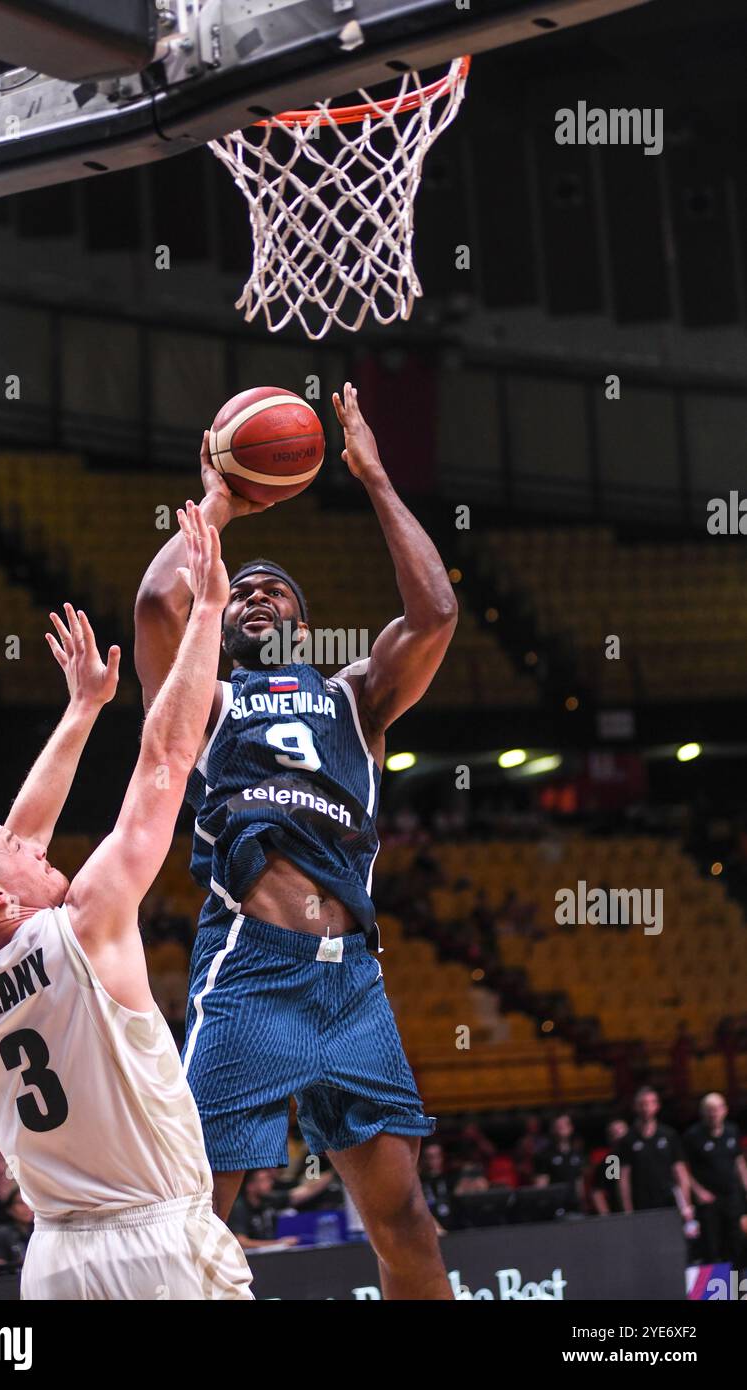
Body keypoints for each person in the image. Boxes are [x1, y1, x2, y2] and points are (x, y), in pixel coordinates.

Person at [135, 384, 458, 1298]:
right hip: (250, 975)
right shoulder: (204, 702)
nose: (260, 595)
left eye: (278, 591)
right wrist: (221, 503)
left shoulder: (355, 696)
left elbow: (434, 615)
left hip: (353, 981)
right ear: (225, 625)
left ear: (308, 628)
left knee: (408, 1226)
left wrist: (377, 479)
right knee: (194, 1222)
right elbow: (160, 599)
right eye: (242, 591)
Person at [0, 513, 252, 1301]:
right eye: (19, 850)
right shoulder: (88, 923)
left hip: (59, 1261)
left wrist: (81, 711)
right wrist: (205, 611)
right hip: (158, 1241)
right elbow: (168, 760)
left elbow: (7, 848)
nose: (38, 842)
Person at [682, 1092, 747, 1265]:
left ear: (725, 1110)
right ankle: (718, 1291)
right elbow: (684, 1170)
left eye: (718, 1109)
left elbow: (739, 1162)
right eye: (709, 1110)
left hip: (732, 1198)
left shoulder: (732, 1131)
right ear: (702, 1112)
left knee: (737, 1245)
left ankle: (739, 1289)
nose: (714, 1114)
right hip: (708, 1201)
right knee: (712, 1248)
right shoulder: (692, 1136)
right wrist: (698, 1191)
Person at [618, 1087, 693, 1219]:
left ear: (657, 1106)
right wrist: (627, 1211)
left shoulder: (669, 1135)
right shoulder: (627, 1140)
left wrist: (686, 1205)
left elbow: (680, 1172)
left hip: (669, 1202)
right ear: (635, 1107)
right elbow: (623, 1178)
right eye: (642, 1104)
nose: (646, 1108)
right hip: (641, 1206)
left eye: (650, 1103)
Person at [0, 1188, 34, 1271]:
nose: (27, 1207)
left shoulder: (41, 1232)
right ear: (10, 1209)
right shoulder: (1, 1233)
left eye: (29, 1201)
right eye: (21, 1203)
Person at [589, 1119, 628, 1215]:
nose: (619, 1135)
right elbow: (597, 1190)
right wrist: (606, 1215)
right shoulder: (612, 1161)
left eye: (621, 1131)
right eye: (614, 1133)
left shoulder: (639, 1154)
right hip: (620, 1213)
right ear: (609, 1138)